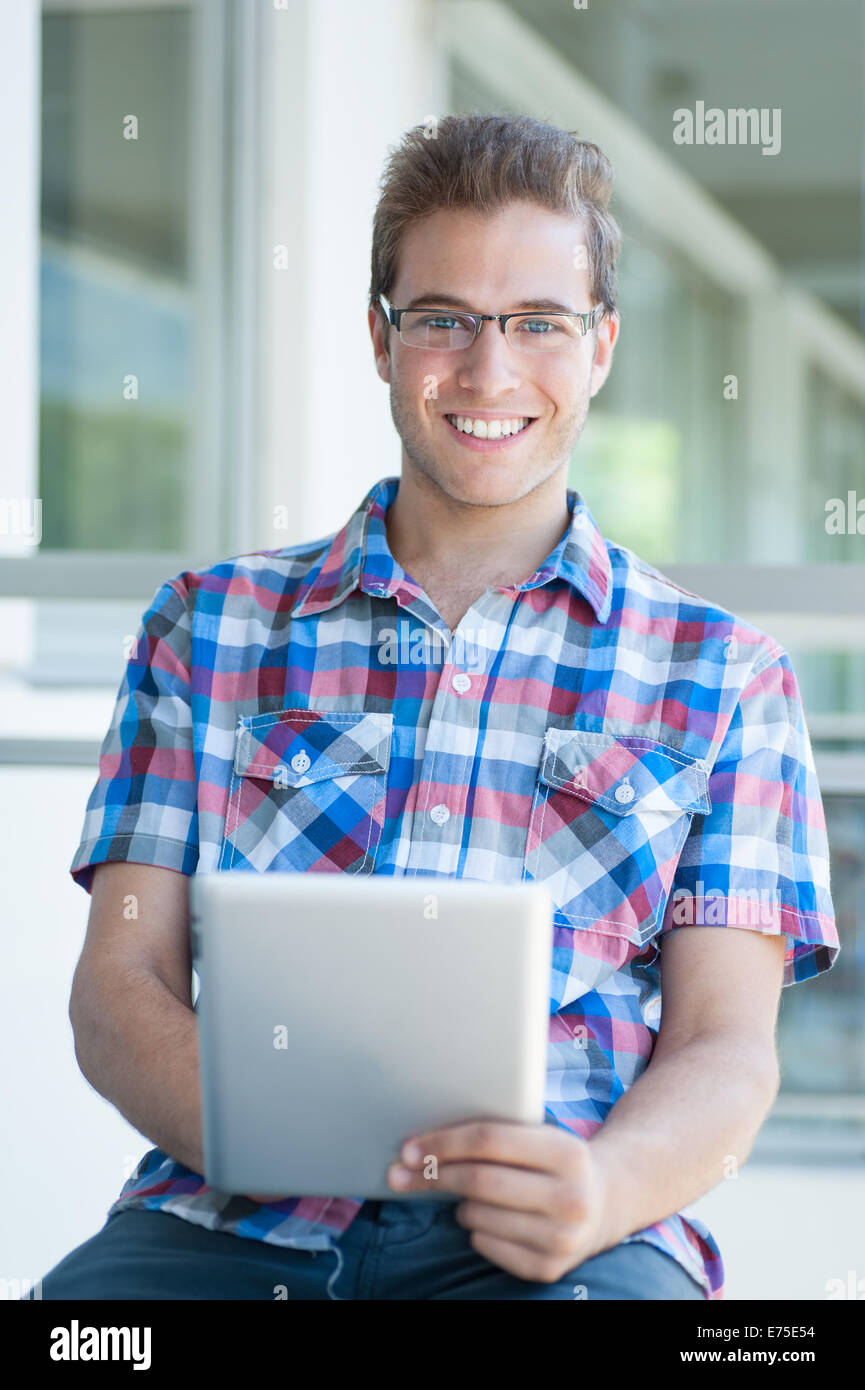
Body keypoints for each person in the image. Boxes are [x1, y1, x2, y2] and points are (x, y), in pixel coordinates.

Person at [37, 113, 839, 1302]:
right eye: (443, 320)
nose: (488, 371)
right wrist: (262, 1135)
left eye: (536, 324)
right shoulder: (205, 628)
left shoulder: (724, 675)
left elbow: (728, 1047)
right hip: (221, 1224)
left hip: (561, 1242)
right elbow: (118, 989)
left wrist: (603, 1192)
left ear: (600, 345)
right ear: (380, 337)